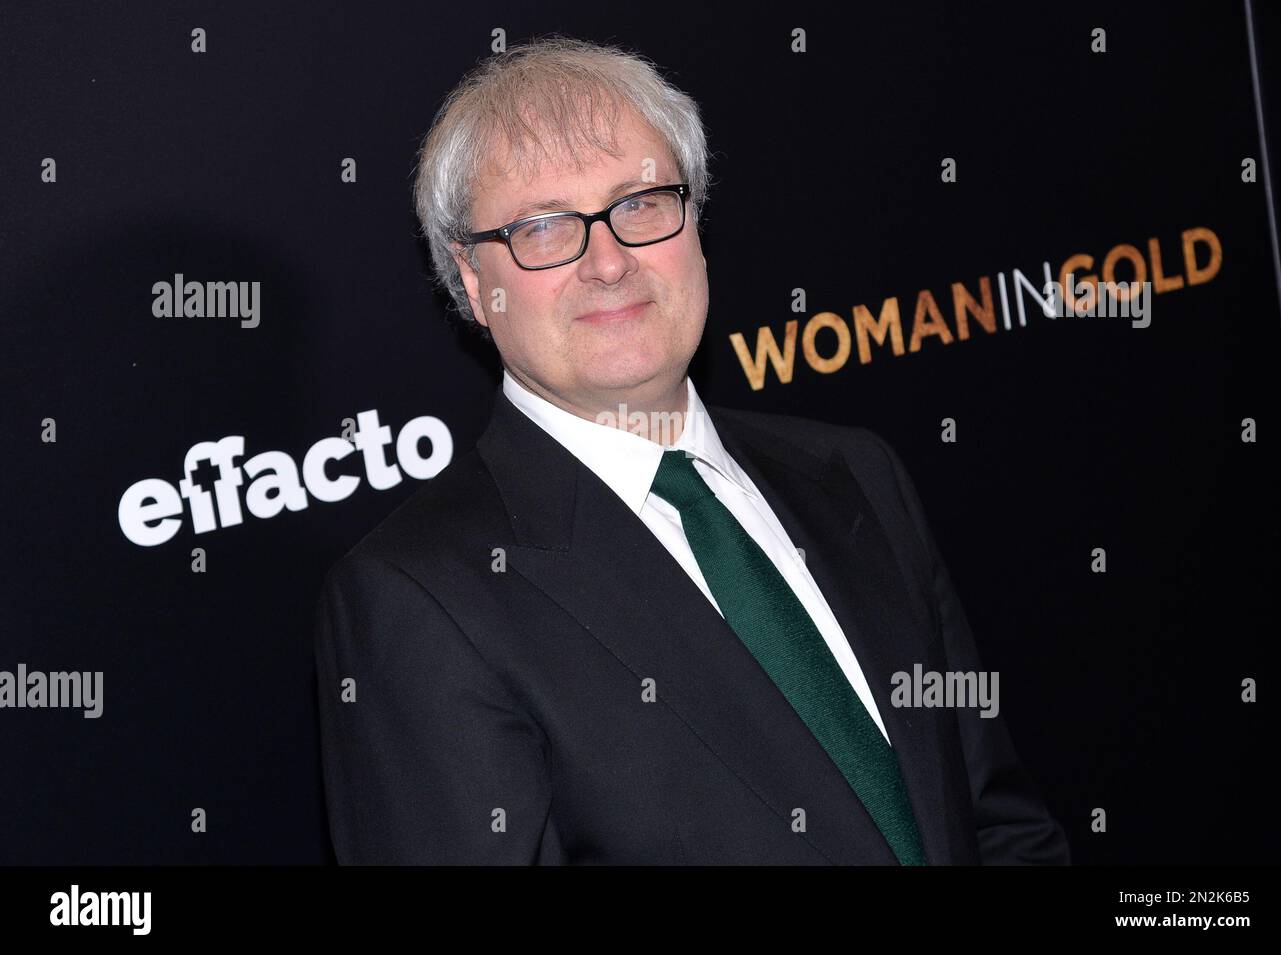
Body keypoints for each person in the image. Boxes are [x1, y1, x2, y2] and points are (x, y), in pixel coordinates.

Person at [313, 34, 1070, 865]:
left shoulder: (857, 475)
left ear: (696, 222)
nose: (607, 260)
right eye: (544, 228)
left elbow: (997, 825)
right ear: (469, 280)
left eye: (640, 205)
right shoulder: (419, 596)